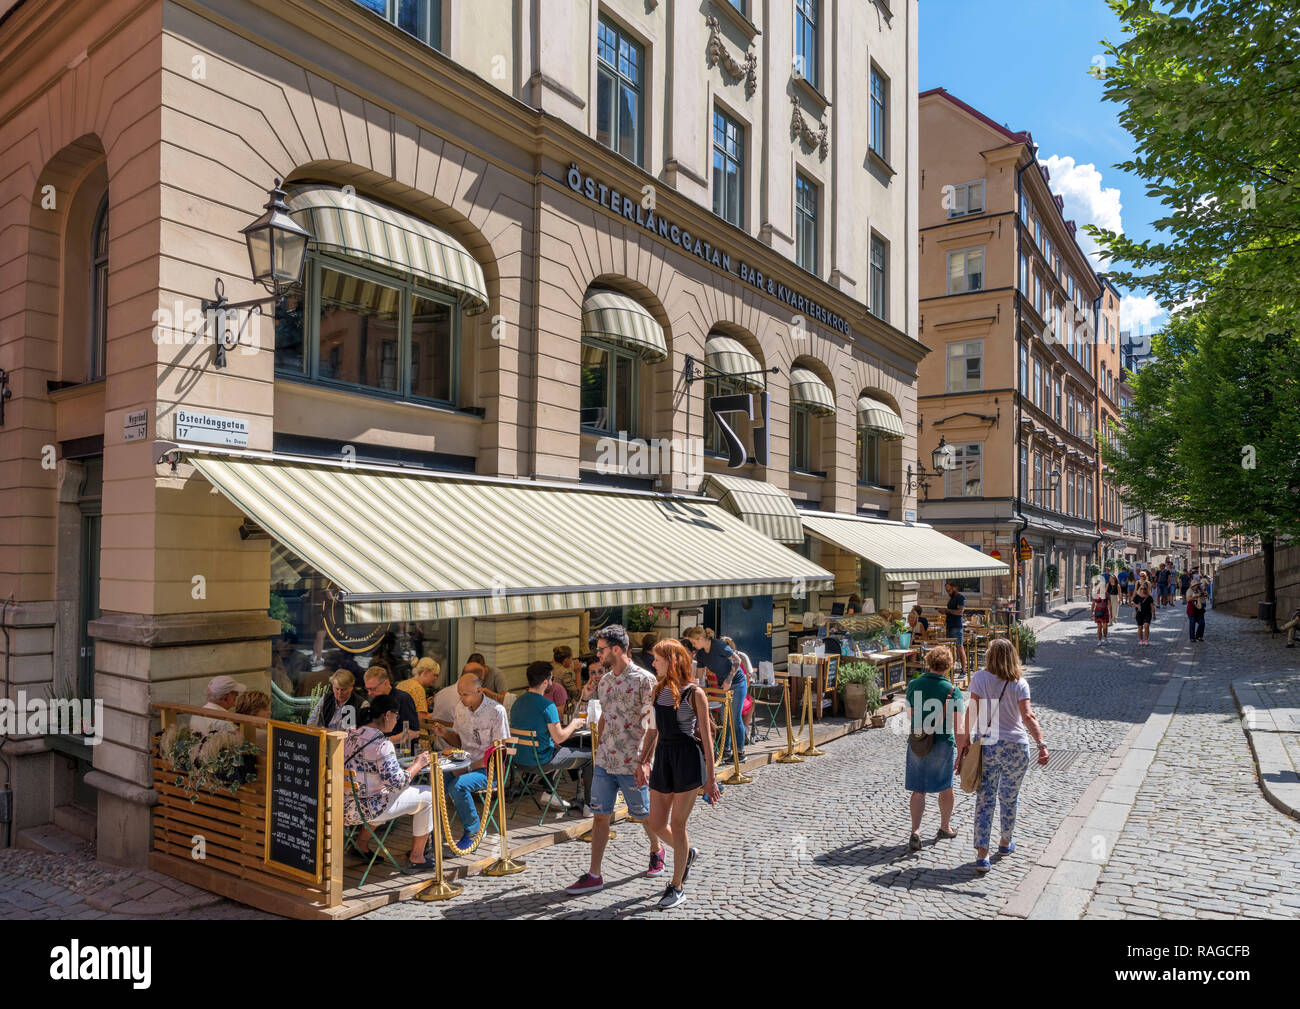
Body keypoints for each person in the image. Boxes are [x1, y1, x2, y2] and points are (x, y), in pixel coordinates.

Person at [565, 624, 661, 896]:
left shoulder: (645, 680)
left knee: (642, 815)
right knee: (600, 816)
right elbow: (605, 715)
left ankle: (657, 849)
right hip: (606, 760)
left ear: (616, 650)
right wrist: (598, 750)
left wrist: (645, 760)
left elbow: (652, 723)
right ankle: (595, 874)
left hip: (633, 760)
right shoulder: (605, 681)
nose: (598, 654)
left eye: (601, 649)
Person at [641, 638, 720, 910]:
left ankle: (676, 886)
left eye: (657, 659)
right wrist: (642, 761)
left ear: (672, 661)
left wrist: (711, 779)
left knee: (678, 824)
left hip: (687, 757)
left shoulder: (694, 692)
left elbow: (707, 741)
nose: (653, 663)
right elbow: (652, 729)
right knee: (654, 822)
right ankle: (685, 853)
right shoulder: (656, 689)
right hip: (663, 757)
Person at [960, 638, 1048, 875]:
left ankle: (982, 854)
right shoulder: (1020, 683)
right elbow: (1028, 716)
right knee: (1009, 797)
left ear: (989, 657)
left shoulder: (979, 678)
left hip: (987, 745)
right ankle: (1005, 843)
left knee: (985, 798)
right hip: (1016, 747)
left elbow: (972, 711)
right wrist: (1041, 744)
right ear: (1013, 657)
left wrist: (965, 741)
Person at [343, 694, 435, 870]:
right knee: (429, 795)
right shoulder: (382, 744)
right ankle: (417, 857)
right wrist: (418, 764)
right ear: (387, 715)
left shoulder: (349, 736)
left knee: (381, 792)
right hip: (369, 810)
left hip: (344, 807)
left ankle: (360, 844)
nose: (396, 721)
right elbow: (397, 784)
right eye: (396, 716)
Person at [431, 673, 510, 851]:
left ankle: (474, 830)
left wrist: (467, 768)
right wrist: (445, 734)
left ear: (479, 691)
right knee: (436, 781)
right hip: (463, 763)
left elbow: (499, 752)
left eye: (465, 694)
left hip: (489, 769)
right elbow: (460, 742)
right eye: (459, 693)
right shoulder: (460, 707)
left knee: (457, 786)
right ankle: (434, 833)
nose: (461, 698)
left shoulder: (496, 711)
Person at [904, 645, 967, 851]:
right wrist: (961, 752)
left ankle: (916, 830)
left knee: (918, 789)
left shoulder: (914, 685)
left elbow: (910, 715)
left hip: (918, 741)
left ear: (929, 662)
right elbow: (959, 726)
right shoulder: (952, 691)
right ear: (948, 666)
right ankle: (944, 827)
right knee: (946, 786)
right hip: (942, 742)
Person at [511, 660, 592, 812]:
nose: (552, 682)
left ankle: (549, 792)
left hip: (518, 760)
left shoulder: (518, 702)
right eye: (551, 679)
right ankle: (589, 804)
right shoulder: (547, 706)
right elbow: (560, 737)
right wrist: (574, 723)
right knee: (590, 757)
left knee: (557, 748)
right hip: (540, 761)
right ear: (544, 682)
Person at [683, 627, 747, 762]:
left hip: (737, 683)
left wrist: (729, 680)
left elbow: (737, 660)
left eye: (694, 643)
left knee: (735, 719)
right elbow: (699, 676)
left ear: (700, 639)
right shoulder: (701, 654)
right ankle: (726, 750)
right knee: (725, 719)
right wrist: (697, 691)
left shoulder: (719, 646)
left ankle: (740, 752)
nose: (693, 646)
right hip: (722, 686)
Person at [363, 666, 421, 747]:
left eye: (373, 689)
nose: (369, 693)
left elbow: (414, 732)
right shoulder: (377, 699)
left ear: (386, 683)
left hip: (401, 750)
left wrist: (384, 741)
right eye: (367, 689)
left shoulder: (403, 699)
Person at [943, 580, 969, 672]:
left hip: (956, 626)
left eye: (949, 590)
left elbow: (960, 612)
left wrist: (947, 611)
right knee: (951, 647)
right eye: (946, 590)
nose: (948, 592)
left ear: (954, 588)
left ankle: (963, 669)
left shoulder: (960, 597)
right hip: (949, 625)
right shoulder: (952, 598)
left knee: (959, 647)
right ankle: (952, 667)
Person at [1133, 582, 1155, 646]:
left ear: (1147, 589)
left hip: (1147, 613)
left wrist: (1154, 614)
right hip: (1139, 614)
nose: (1143, 590)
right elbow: (1132, 602)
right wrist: (1136, 605)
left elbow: (1152, 606)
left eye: (1144, 588)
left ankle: (1146, 640)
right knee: (1140, 627)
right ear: (1140, 589)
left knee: (1146, 626)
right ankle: (1140, 640)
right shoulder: (1137, 596)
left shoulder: (1149, 597)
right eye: (1142, 588)